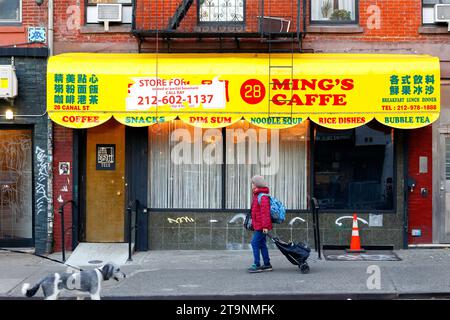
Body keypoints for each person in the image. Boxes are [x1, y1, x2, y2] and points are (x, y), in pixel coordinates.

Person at [248, 175, 273, 273]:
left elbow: (265, 213)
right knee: (262, 244)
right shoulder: (257, 195)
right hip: (259, 225)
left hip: (262, 226)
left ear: (257, 184)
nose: (252, 185)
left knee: (254, 243)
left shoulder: (263, 197)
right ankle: (267, 264)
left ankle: (257, 264)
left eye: (253, 183)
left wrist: (265, 227)